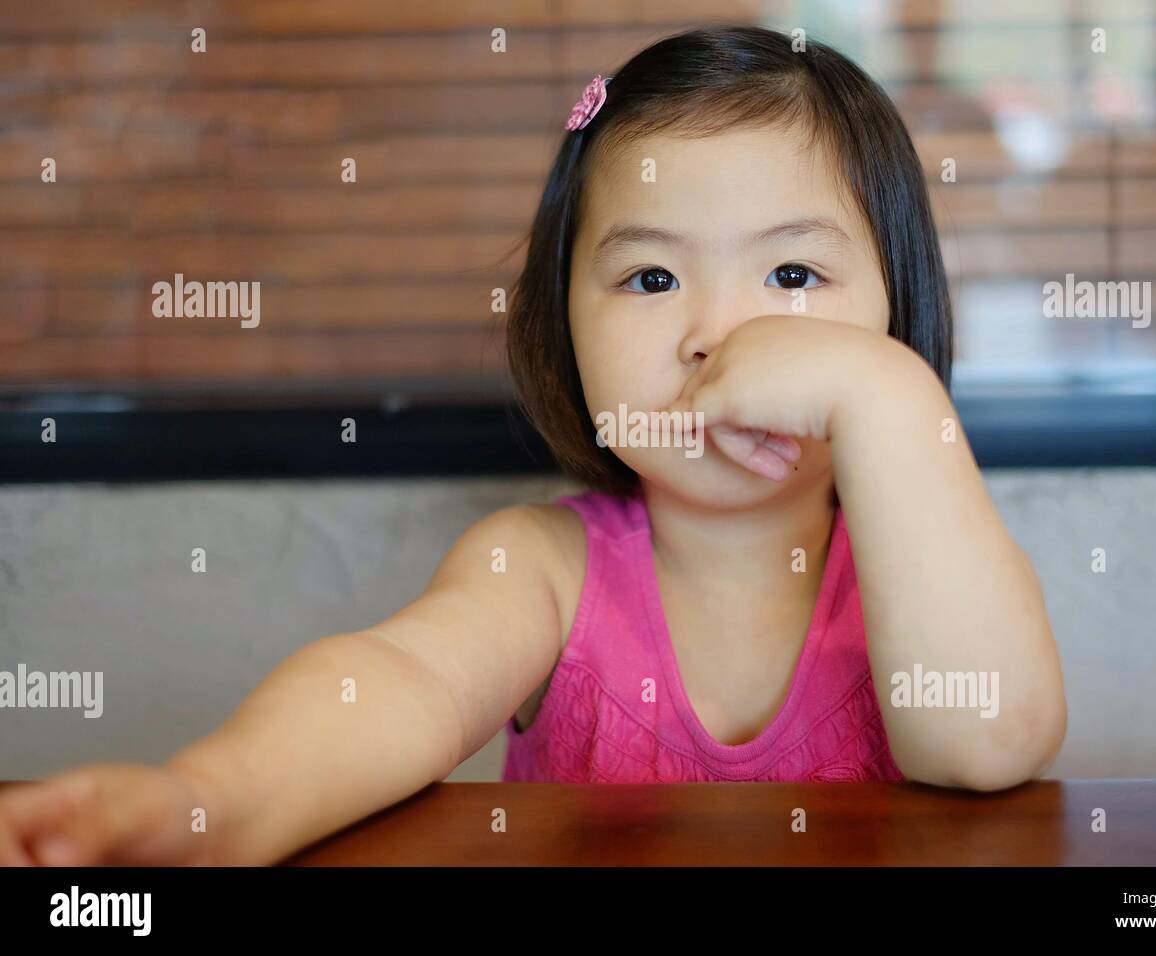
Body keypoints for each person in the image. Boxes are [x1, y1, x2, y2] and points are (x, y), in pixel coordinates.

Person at [0, 25, 1066, 866]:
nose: (716, 333)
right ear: (566, 330)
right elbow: (394, 682)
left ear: (896, 310)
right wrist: (209, 805)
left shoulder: (928, 572)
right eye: (651, 277)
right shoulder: (544, 569)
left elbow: (984, 743)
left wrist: (886, 396)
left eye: (792, 274)